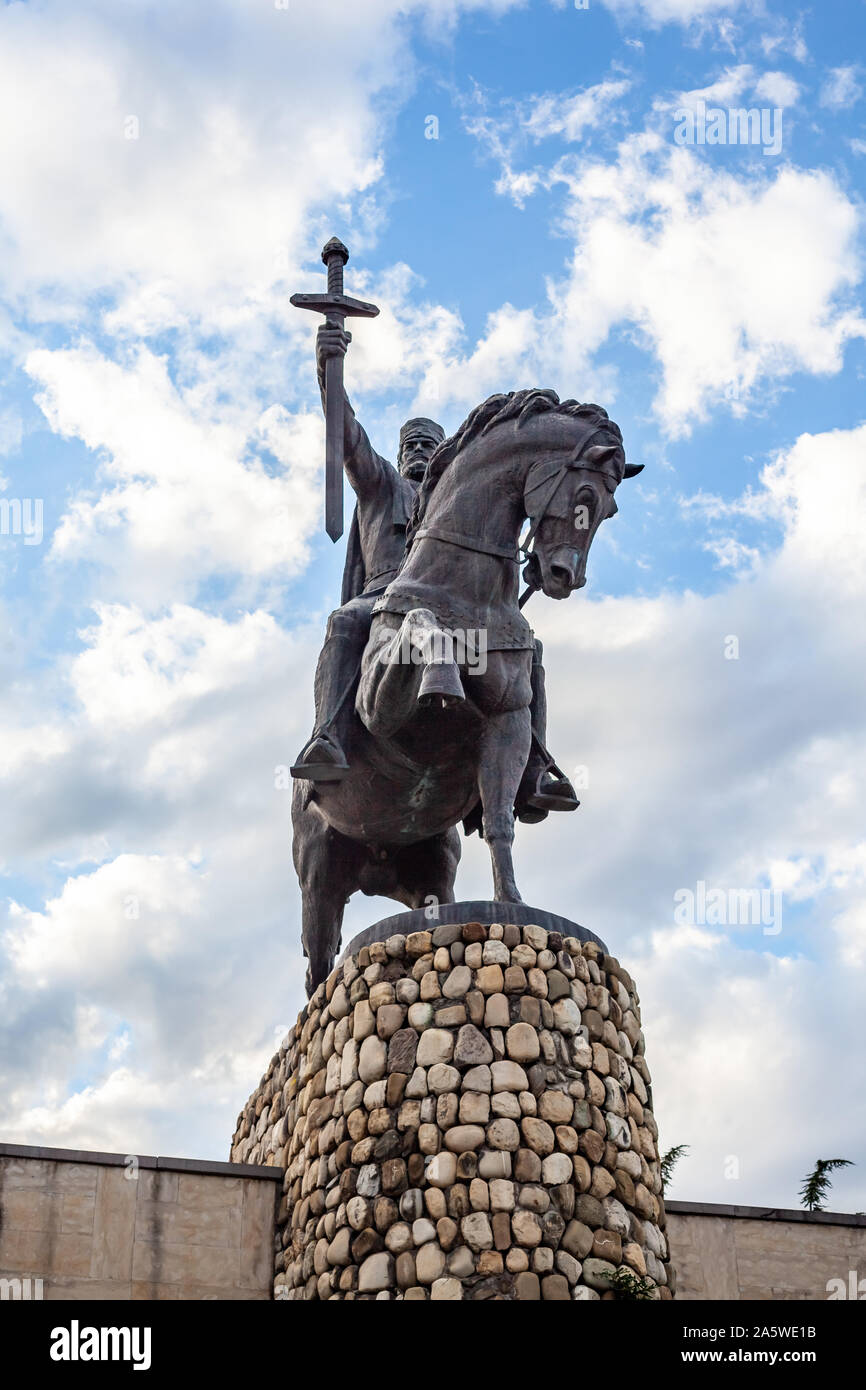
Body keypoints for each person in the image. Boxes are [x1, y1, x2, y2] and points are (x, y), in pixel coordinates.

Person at [291, 325, 577, 823]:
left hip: (461, 618)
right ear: (401, 455)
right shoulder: (382, 486)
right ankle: (328, 737)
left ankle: (534, 765)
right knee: (345, 621)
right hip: (384, 608)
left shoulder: (464, 504)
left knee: (528, 647)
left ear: (445, 453)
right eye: (413, 445)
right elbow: (346, 436)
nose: (420, 452)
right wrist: (328, 371)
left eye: (429, 444)